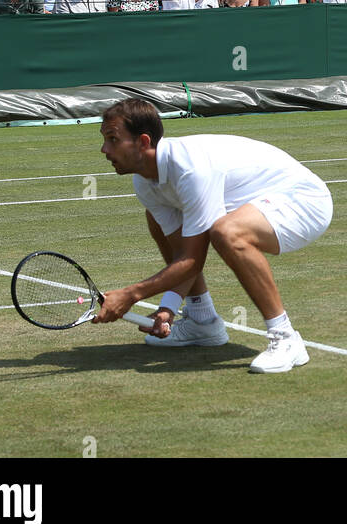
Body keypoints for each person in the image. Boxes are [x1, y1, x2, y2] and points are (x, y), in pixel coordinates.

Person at [93, 98, 332, 373]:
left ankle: (286, 337)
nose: (104, 149)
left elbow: (192, 260)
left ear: (143, 141)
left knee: (227, 232)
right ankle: (201, 321)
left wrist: (130, 295)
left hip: (304, 201)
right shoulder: (145, 182)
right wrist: (168, 308)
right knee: (160, 220)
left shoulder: (190, 170)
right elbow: (183, 252)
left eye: (113, 139)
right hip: (261, 201)